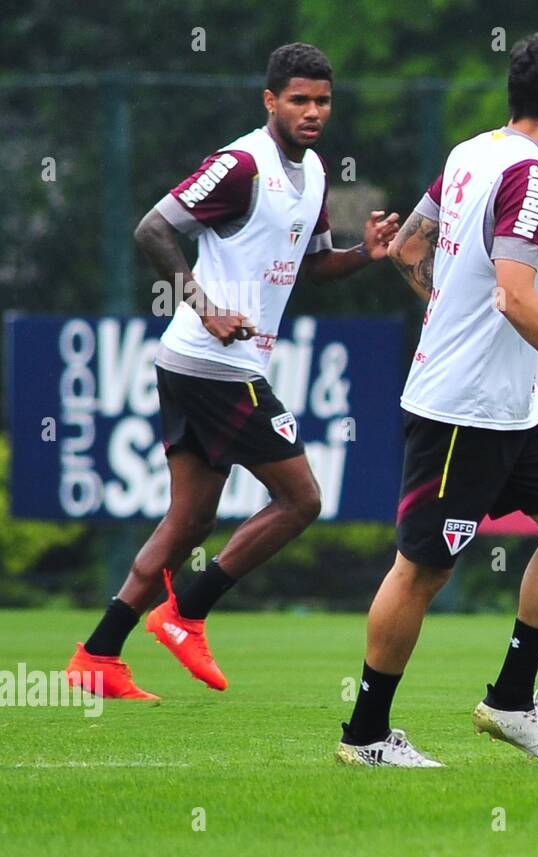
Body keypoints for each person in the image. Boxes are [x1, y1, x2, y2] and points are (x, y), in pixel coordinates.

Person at [335, 31, 538, 768]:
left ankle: (510, 701)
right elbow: (515, 298)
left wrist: (448, 304)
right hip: (462, 408)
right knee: (423, 569)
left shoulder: (469, 154)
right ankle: (367, 735)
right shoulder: (533, 177)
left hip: (511, 404)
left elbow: (410, 250)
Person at [67, 43, 399, 700]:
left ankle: (98, 654)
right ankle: (187, 612)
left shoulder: (314, 173)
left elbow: (315, 264)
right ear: (270, 101)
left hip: (204, 363)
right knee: (302, 499)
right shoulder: (241, 164)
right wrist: (208, 307)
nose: (312, 112)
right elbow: (152, 229)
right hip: (212, 360)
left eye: (322, 100)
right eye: (298, 100)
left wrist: (368, 252)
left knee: (188, 520)